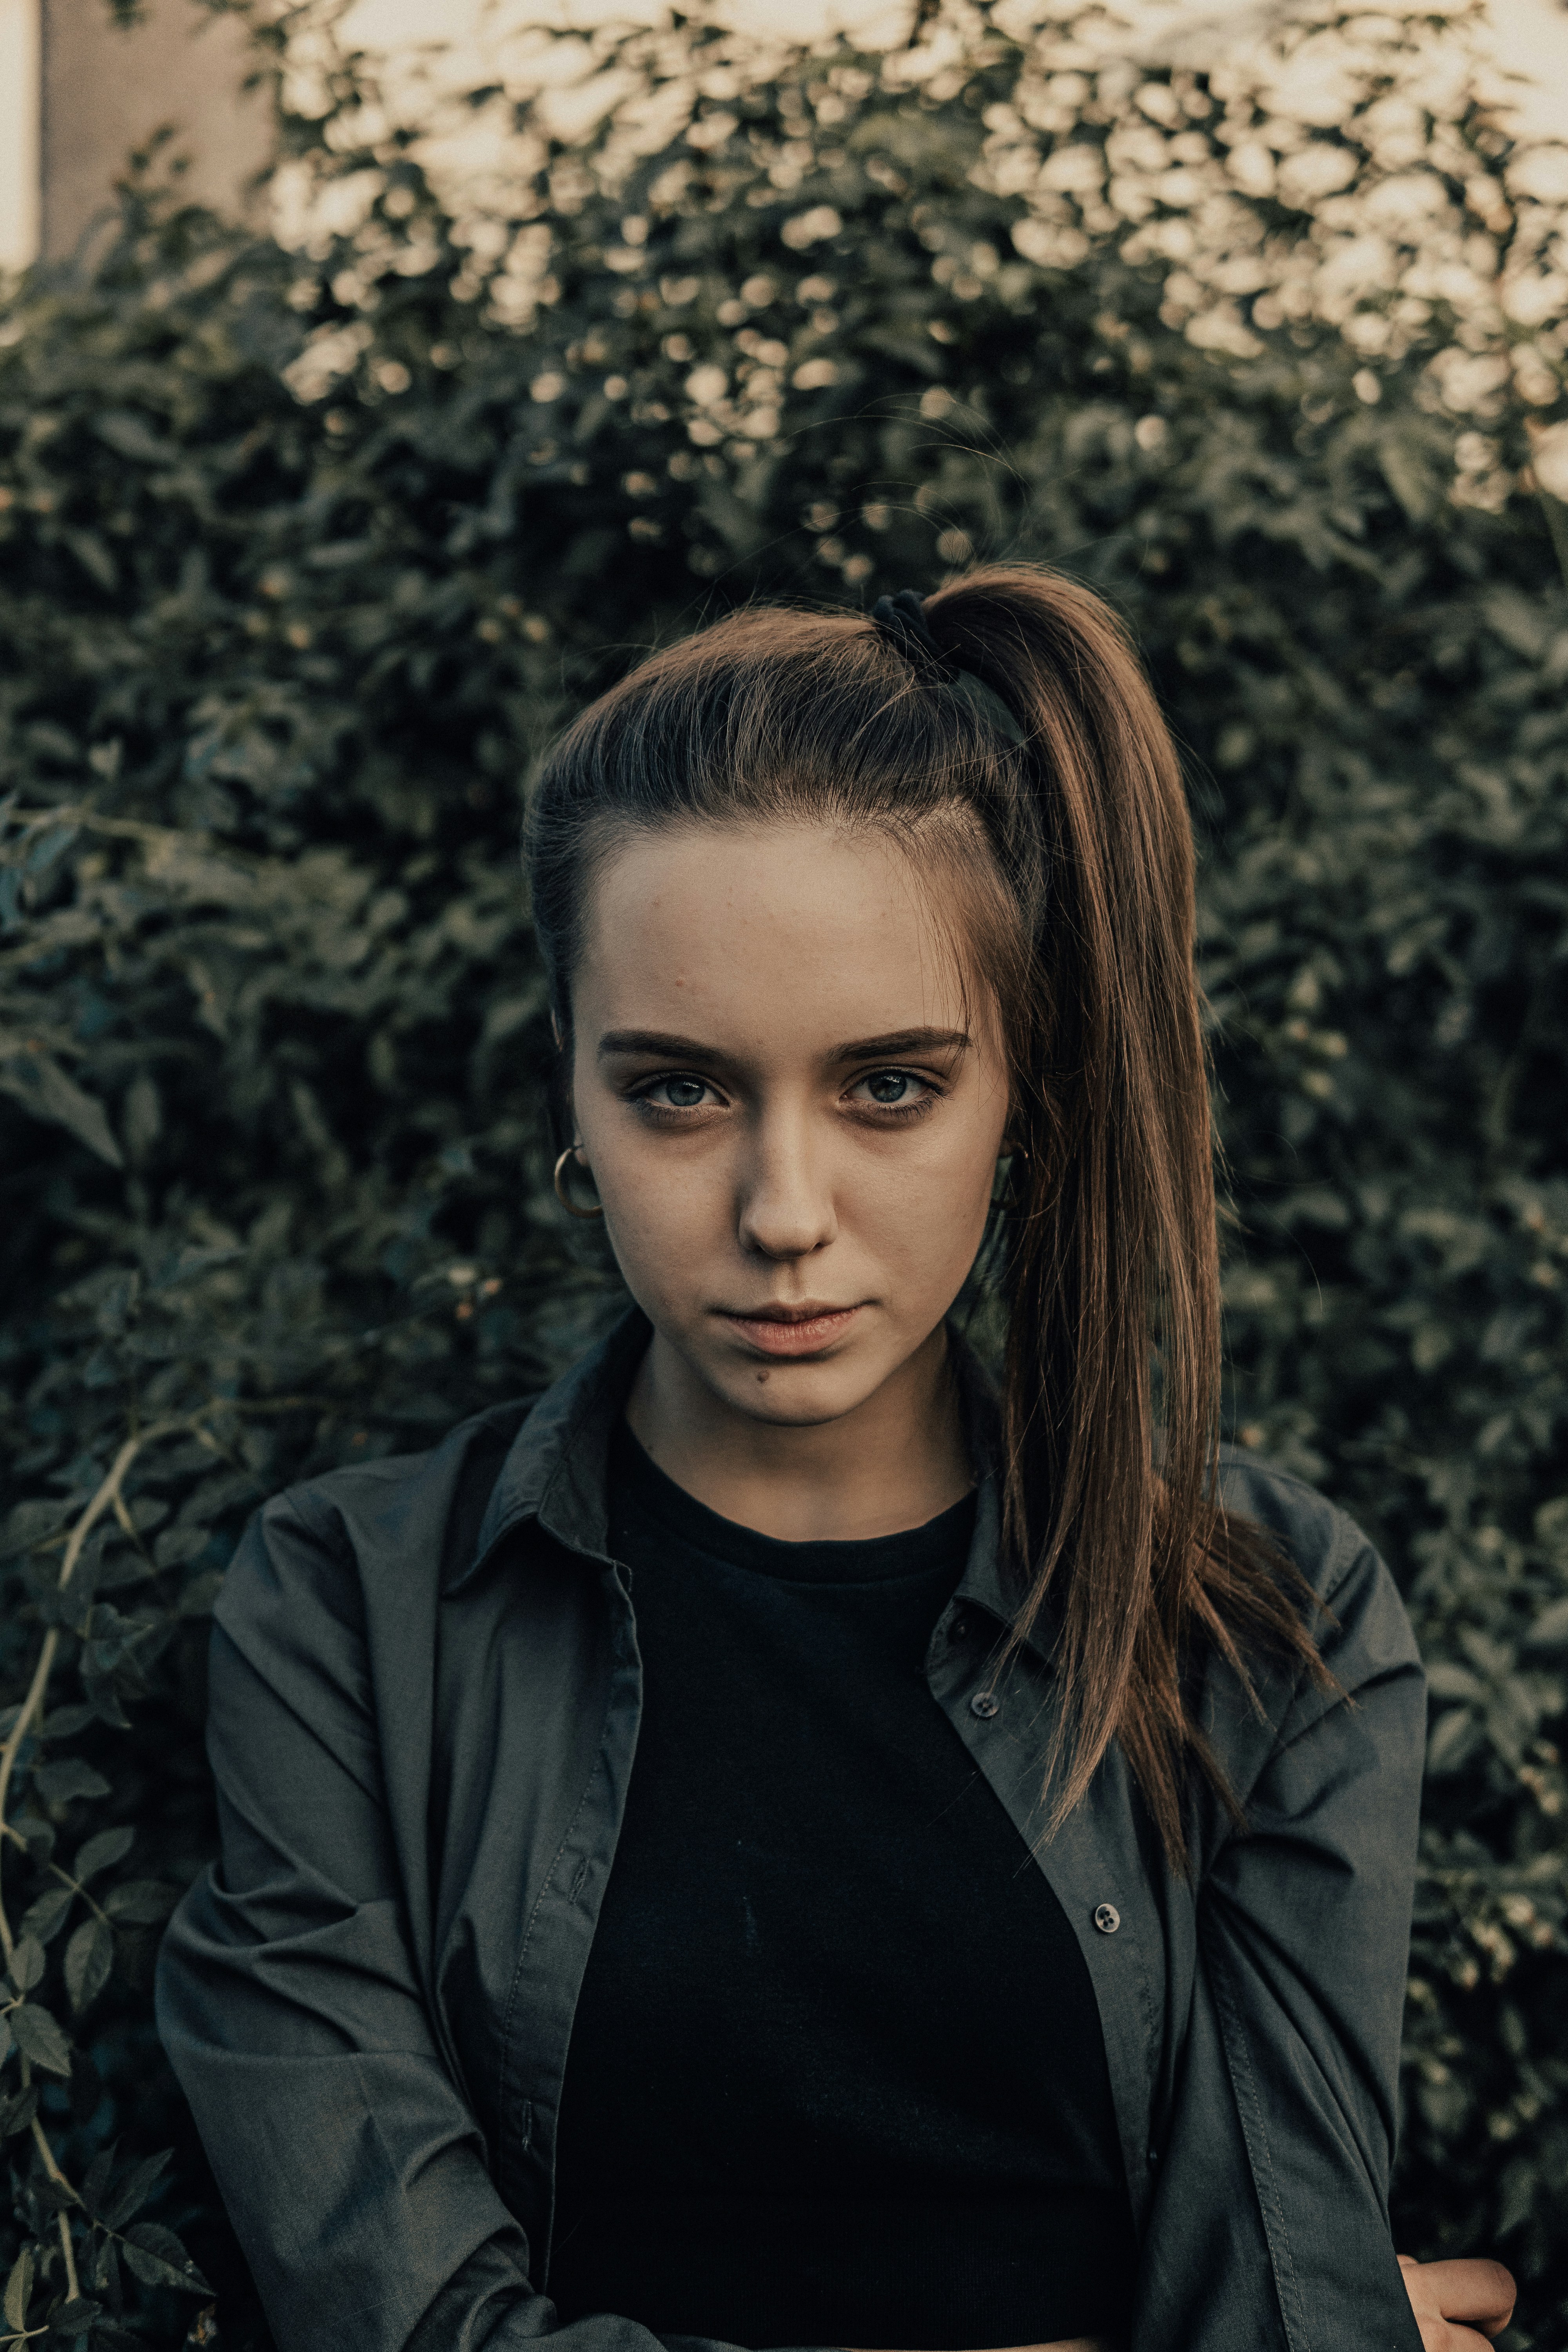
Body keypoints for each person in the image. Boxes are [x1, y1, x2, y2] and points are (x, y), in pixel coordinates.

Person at [156, 568, 1516, 2352]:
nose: (781, 1215)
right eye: (677, 1090)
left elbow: (1278, 2299)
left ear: (1020, 1089)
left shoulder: (1269, 1623)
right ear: (565, 1085)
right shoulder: (346, 1618)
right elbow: (406, 2328)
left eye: (889, 1086)